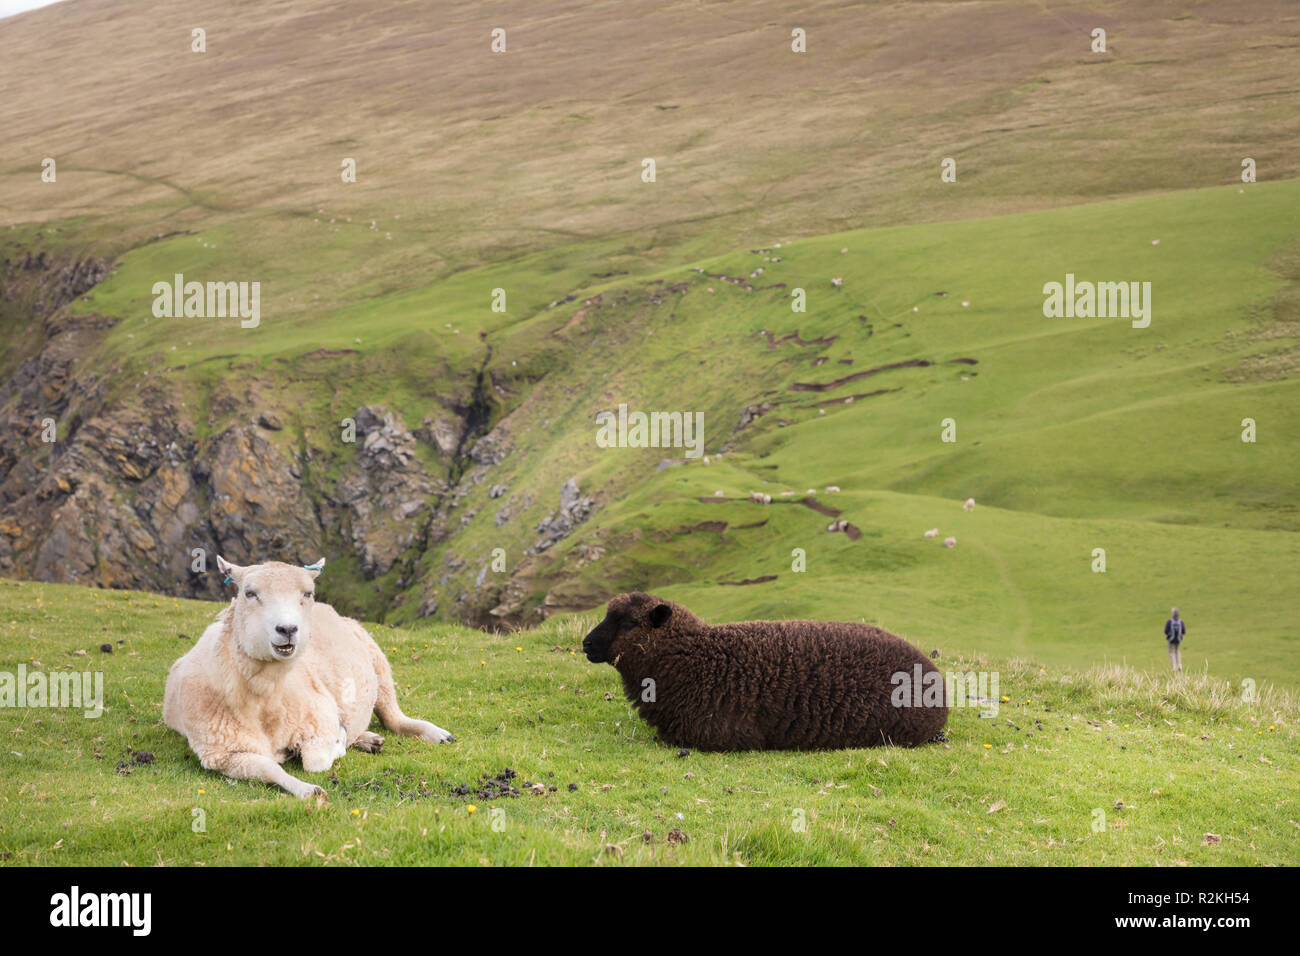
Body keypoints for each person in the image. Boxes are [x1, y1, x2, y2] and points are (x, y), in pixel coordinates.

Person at [1164, 607, 1186, 673]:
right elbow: (1184, 631)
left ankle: (1174, 667)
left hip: (1171, 640)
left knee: (1172, 652)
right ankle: (1179, 665)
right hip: (1178, 640)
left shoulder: (1169, 621)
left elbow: (1165, 631)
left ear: (1172, 614)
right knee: (1177, 651)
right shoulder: (1181, 621)